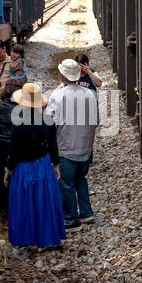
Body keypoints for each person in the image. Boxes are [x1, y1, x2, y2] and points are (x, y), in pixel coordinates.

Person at [7, 83, 65, 249]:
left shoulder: (18, 123)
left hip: (24, 167)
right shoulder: (48, 121)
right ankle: (46, 237)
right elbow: (53, 146)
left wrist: (9, 168)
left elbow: (14, 149)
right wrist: (56, 164)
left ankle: (28, 238)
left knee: (25, 202)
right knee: (44, 200)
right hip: (42, 165)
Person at [48, 59, 99, 229]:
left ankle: (70, 218)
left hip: (65, 147)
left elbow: (50, 122)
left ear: (62, 75)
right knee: (80, 179)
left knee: (66, 183)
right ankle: (86, 212)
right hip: (86, 146)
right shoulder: (89, 94)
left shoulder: (57, 95)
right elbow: (96, 120)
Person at [0, 77, 26, 225]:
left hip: (0, 147)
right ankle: (16, 210)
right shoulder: (23, 110)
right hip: (16, 148)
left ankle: (1, 211)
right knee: (16, 178)